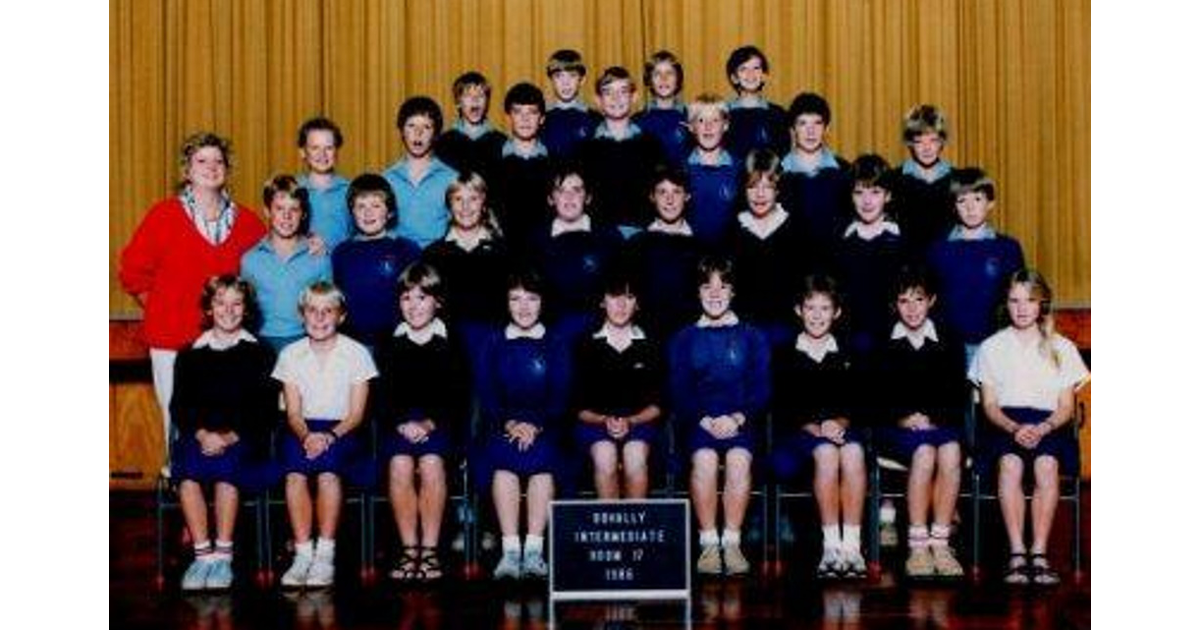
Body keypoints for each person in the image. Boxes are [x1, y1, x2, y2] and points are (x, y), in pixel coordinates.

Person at [119, 131, 267, 472]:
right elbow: (132, 271)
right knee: (177, 413)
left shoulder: (246, 222)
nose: (211, 167)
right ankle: (181, 484)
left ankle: (224, 485)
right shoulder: (163, 215)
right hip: (172, 337)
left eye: (218, 161)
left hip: (226, 341)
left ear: (228, 169)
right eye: (202, 161)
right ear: (187, 169)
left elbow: (269, 262)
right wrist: (161, 307)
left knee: (225, 414)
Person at [968, 269, 1088, 586]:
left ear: (1042, 305)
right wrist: (1014, 428)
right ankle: (1017, 553)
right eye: (1014, 300)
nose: (1022, 308)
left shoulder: (1062, 347)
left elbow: (1065, 407)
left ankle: (1039, 553)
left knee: (1047, 465)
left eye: (1030, 301)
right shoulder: (992, 347)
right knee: (1010, 464)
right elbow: (990, 405)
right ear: (1005, 304)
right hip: (1004, 424)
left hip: (1050, 425)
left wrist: (1044, 427)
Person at [170, 275, 276, 590]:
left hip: (243, 437)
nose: (228, 310)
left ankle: (223, 556)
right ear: (208, 308)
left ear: (245, 309)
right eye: (220, 303)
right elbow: (180, 407)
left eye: (236, 303)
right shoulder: (190, 354)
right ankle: (202, 555)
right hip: (200, 435)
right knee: (187, 475)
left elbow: (265, 409)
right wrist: (203, 435)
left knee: (226, 472)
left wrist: (229, 437)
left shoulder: (260, 352)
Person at [669, 256, 770, 577]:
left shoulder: (752, 335)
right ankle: (709, 543)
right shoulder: (684, 338)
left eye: (722, 286)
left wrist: (738, 417)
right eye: (706, 286)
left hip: (741, 421)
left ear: (733, 292)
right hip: (700, 423)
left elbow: (762, 385)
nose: (714, 294)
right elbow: (678, 388)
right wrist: (703, 420)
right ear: (697, 293)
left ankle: (732, 542)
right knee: (705, 461)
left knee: (740, 459)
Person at [274, 282, 379, 588]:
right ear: (302, 315)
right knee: (295, 475)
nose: (320, 318)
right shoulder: (290, 354)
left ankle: (325, 554)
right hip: (302, 429)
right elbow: (292, 413)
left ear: (341, 316)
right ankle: (303, 553)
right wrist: (308, 436)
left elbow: (357, 415)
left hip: (343, 430)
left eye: (328, 311)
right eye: (312, 311)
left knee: (327, 474)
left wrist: (330, 437)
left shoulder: (357, 353)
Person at [476, 269, 572, 580]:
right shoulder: (493, 342)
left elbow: (561, 392)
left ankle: (534, 550)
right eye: (515, 299)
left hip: (547, 424)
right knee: (504, 467)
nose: (524, 306)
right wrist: (511, 423)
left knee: (542, 468)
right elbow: (487, 392)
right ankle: (510, 551)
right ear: (505, 303)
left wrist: (536, 425)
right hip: (502, 425)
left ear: (543, 302)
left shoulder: (556, 342)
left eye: (531, 298)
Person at [769, 274, 867, 579]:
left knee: (853, 452)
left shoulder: (848, 351)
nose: (817, 316)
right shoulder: (785, 354)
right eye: (810, 308)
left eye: (825, 308)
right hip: (800, 434)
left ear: (836, 312)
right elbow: (784, 407)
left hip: (837, 430)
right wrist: (817, 428)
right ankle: (831, 547)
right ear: (798, 310)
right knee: (826, 453)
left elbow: (855, 402)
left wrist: (838, 423)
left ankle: (852, 547)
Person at [379, 262, 470, 583]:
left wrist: (430, 424)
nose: (414, 306)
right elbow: (382, 396)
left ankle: (430, 550)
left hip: (440, 425)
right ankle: (409, 548)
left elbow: (458, 396)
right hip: (399, 426)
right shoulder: (390, 343)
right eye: (407, 298)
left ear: (438, 301)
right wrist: (402, 424)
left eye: (422, 297)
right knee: (400, 465)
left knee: (432, 463)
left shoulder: (452, 342)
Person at [874, 267, 967, 578]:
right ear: (894, 305)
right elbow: (877, 396)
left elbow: (956, 392)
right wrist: (903, 418)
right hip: (897, 428)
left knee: (952, 450)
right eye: (903, 301)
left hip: (941, 423)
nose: (911, 308)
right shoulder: (883, 342)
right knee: (925, 452)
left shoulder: (949, 339)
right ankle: (917, 544)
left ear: (932, 301)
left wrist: (932, 418)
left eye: (918, 300)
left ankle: (940, 541)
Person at [572, 272, 664, 499]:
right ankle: (611, 529)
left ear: (638, 303)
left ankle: (634, 528)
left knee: (635, 459)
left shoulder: (652, 344)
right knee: (605, 458)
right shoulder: (584, 344)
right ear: (602, 301)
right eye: (614, 296)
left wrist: (631, 421)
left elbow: (659, 404)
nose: (621, 305)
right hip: (595, 423)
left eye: (629, 297)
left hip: (640, 422)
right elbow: (577, 406)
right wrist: (604, 420)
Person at [927, 168, 1025, 367]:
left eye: (977, 199)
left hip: (996, 346)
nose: (970, 208)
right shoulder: (937, 250)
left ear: (990, 203)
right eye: (962, 201)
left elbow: (1019, 300)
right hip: (948, 350)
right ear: (954, 207)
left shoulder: (1008, 248)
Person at [421, 171, 513, 365]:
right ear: (449, 205)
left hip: (494, 346)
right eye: (458, 199)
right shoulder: (432, 254)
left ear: (484, 203)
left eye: (473, 199)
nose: (465, 207)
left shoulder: (504, 251)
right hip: (447, 350)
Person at [532, 163, 624, 346]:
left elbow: (621, 290)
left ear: (588, 197)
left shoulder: (610, 237)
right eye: (561, 190)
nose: (569, 197)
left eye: (577, 190)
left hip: (602, 331)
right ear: (551, 198)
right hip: (553, 331)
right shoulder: (536, 240)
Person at [240, 174, 333, 354]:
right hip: (262, 344)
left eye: (294, 209)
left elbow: (329, 308)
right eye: (279, 208)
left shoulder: (319, 257)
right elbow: (245, 312)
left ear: (303, 214)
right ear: (267, 211)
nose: (287, 216)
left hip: (307, 342)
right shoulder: (250, 260)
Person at [331, 173, 421, 351]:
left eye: (376, 205)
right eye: (360, 206)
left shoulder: (406, 249)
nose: (368, 212)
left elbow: (419, 299)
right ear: (352, 212)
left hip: (397, 343)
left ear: (389, 212)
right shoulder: (341, 253)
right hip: (352, 345)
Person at [730, 149, 808, 349]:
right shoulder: (732, 232)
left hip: (789, 331)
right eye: (753, 186)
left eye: (768, 186)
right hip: (743, 333)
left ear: (778, 190)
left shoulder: (797, 231)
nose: (760, 194)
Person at [578, 66, 666, 238]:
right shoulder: (585, 149)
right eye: (608, 92)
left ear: (634, 97)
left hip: (643, 235)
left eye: (623, 91)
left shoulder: (651, 146)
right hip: (598, 235)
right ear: (598, 100)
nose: (616, 98)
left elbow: (660, 193)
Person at [833, 153, 906, 357]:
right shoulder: (839, 244)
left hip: (894, 346)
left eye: (875, 192)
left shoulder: (903, 244)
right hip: (850, 346)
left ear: (888, 196)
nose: (867, 201)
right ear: (850, 195)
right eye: (859, 192)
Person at [778, 92, 853, 273]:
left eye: (817, 123)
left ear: (826, 128)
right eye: (803, 123)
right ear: (793, 129)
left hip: (835, 269)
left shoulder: (845, 171)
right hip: (790, 268)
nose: (810, 131)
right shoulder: (777, 173)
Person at [625, 166, 703, 338]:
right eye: (662, 192)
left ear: (687, 196)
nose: (670, 200)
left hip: (689, 336)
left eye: (676, 192)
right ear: (652, 197)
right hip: (646, 336)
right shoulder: (635, 245)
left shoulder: (702, 247)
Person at [383, 96, 459, 249]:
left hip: (438, 262)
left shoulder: (452, 178)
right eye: (411, 126)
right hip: (399, 263)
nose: (418, 133)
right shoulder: (386, 179)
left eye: (426, 127)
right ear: (402, 131)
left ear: (435, 133)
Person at [889, 104, 959, 259]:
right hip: (904, 263)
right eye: (919, 141)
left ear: (942, 141)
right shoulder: (893, 179)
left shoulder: (957, 179)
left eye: (933, 140)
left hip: (947, 260)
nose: (927, 148)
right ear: (909, 143)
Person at [491, 82, 553, 255]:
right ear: (509, 117)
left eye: (532, 112)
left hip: (546, 252)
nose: (525, 119)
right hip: (503, 253)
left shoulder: (556, 164)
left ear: (542, 118)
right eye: (518, 112)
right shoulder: (492, 163)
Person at [683, 93, 742, 252]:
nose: (708, 126)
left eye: (715, 120)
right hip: (690, 254)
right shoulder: (679, 169)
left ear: (726, 125)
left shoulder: (740, 169)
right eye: (701, 120)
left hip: (729, 257)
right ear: (691, 127)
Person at [435, 71, 507, 186]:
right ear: (458, 103)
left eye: (481, 95)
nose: (475, 100)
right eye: (468, 96)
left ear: (487, 102)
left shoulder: (502, 142)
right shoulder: (442, 142)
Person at [723, 45, 789, 164]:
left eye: (756, 68)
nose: (750, 74)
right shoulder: (723, 114)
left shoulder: (778, 114)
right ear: (734, 78)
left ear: (764, 75)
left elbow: (784, 154)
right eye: (743, 69)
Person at [296, 117, 354, 251]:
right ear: (303, 152)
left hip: (340, 267)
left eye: (329, 148)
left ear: (337, 151)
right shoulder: (293, 190)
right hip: (304, 267)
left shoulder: (350, 190)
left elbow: (358, 236)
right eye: (315, 148)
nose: (322, 154)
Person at [633, 50, 690, 169]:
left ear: (678, 79)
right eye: (657, 74)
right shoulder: (637, 121)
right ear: (649, 80)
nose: (664, 79)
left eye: (669, 73)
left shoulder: (691, 118)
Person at [542, 49, 601, 160]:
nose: (566, 83)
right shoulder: (541, 120)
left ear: (582, 80)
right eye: (559, 76)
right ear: (551, 80)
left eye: (572, 76)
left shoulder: (595, 119)